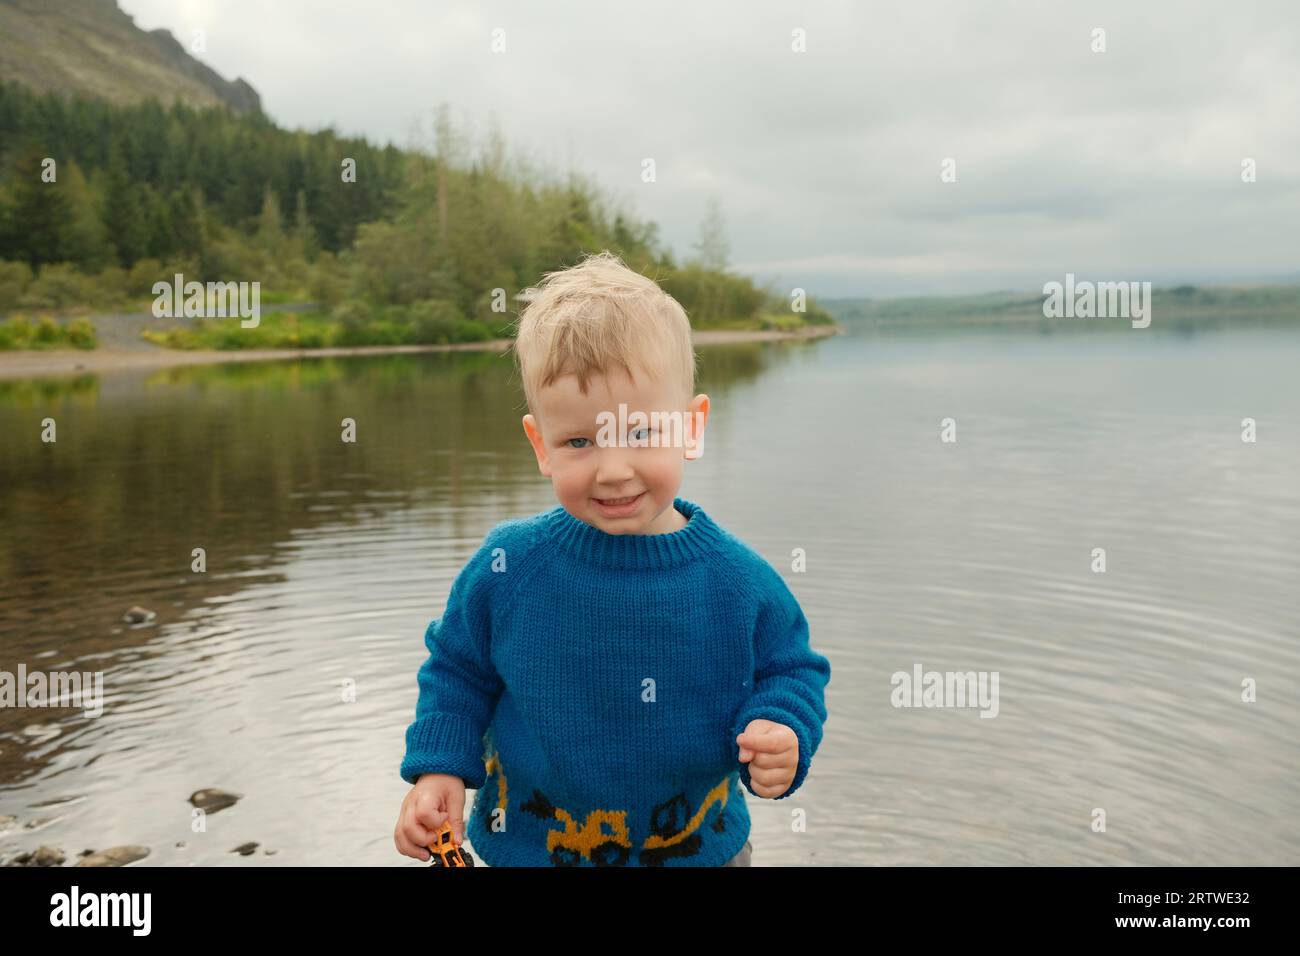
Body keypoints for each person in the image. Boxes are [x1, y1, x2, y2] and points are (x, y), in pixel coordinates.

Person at [393, 250, 831, 866]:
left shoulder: (736, 582)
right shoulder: (509, 569)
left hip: (701, 853)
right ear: (539, 445)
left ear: (692, 427)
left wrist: (783, 728)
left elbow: (791, 669)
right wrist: (439, 770)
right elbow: (459, 672)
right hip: (533, 852)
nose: (614, 469)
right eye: (579, 441)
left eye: (642, 433)